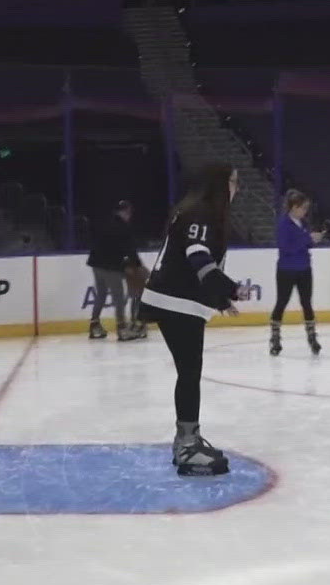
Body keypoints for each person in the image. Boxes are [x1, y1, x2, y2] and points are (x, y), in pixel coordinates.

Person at [139, 165, 242, 476]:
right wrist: (231, 289)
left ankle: (187, 440)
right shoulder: (200, 212)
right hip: (177, 303)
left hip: (178, 301)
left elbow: (194, 262)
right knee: (189, 372)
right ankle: (186, 446)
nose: (238, 188)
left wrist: (219, 298)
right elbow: (198, 259)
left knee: (189, 371)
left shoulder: (194, 210)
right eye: (234, 181)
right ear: (220, 183)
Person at [269, 190, 325, 357]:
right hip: (287, 270)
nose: (305, 211)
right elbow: (286, 248)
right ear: (294, 207)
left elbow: (303, 245)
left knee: (306, 303)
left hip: (304, 268)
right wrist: (308, 239)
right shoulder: (283, 225)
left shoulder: (304, 223)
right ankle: (275, 337)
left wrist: (313, 240)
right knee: (282, 302)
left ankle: (312, 337)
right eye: (303, 208)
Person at [86, 199, 146, 342]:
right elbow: (130, 250)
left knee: (101, 294)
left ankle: (94, 326)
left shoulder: (105, 223)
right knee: (118, 297)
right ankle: (122, 329)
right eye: (129, 213)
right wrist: (138, 266)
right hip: (110, 267)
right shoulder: (123, 227)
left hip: (96, 264)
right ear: (126, 212)